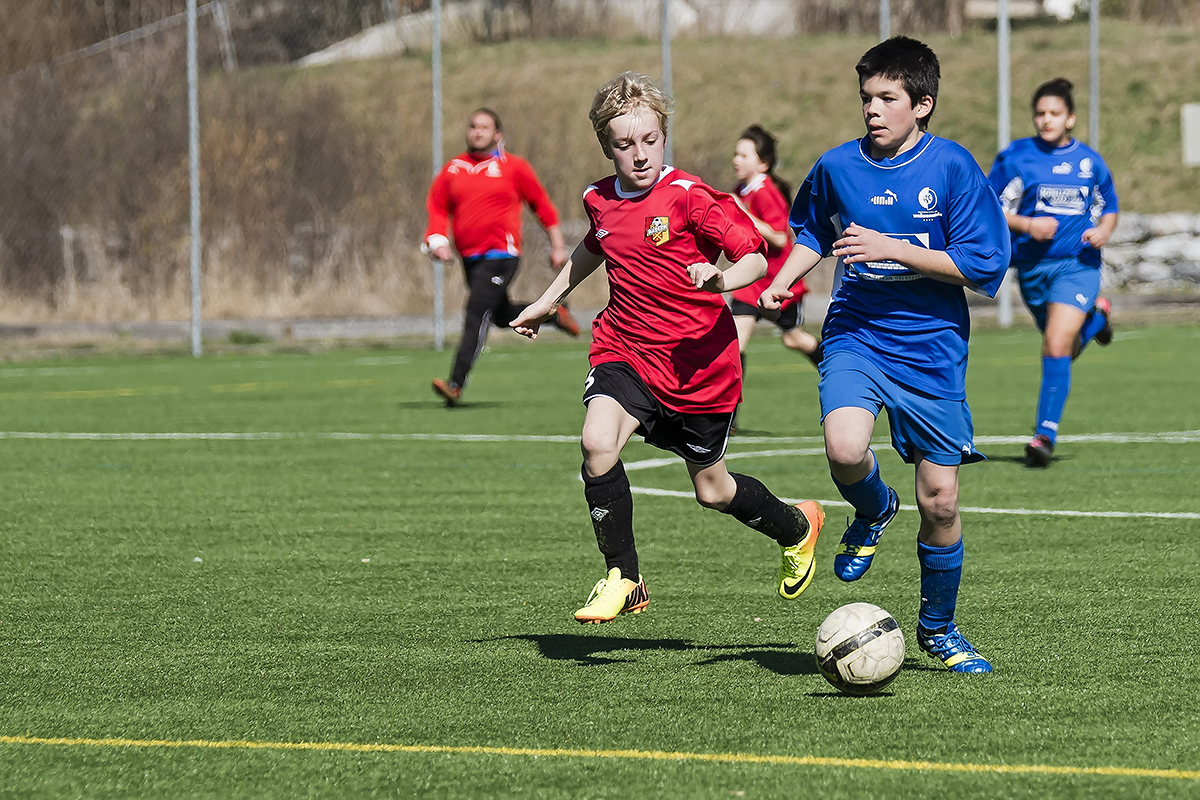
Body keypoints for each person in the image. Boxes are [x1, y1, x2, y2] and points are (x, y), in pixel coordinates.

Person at [510, 72, 825, 624]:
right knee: (597, 441)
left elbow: (754, 256)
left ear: (663, 136)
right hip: (626, 350)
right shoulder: (598, 199)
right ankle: (624, 577)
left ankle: (797, 526)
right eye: (624, 144)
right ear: (606, 146)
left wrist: (721, 280)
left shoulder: (689, 196)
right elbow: (594, 247)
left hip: (698, 367)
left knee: (713, 491)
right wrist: (546, 300)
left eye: (650, 140)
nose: (639, 154)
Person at [758, 37, 1010, 672]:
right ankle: (874, 508)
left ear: (922, 105)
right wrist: (784, 279)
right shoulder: (837, 166)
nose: (872, 109)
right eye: (866, 97)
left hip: (931, 347)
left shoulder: (952, 167)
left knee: (941, 500)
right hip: (858, 333)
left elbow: (983, 265)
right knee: (845, 448)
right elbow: (812, 231)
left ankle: (939, 629)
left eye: (887, 98)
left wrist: (894, 249)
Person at [987, 78, 1119, 467]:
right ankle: (1097, 321)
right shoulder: (1016, 157)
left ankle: (1044, 435)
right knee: (1064, 346)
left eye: (1055, 113)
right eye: (1040, 113)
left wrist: (1103, 231)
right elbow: (987, 206)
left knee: (1056, 345)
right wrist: (1027, 225)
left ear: (1070, 118)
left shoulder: (1088, 162)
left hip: (1078, 266)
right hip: (1031, 269)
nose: (1046, 120)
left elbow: (1109, 206)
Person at [423, 108, 582, 407]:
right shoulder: (453, 168)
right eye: (473, 126)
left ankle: (455, 383)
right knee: (498, 315)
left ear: (497, 134)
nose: (477, 132)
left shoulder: (514, 167)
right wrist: (437, 240)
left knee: (475, 311)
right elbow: (437, 209)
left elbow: (542, 206)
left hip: (501, 255)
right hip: (470, 258)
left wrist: (558, 246)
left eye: (484, 127)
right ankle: (551, 313)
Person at [728, 125, 822, 430]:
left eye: (744, 155)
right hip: (749, 283)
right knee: (734, 345)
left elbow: (781, 238)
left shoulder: (766, 192)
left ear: (763, 163)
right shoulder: (741, 191)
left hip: (778, 284)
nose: (736, 160)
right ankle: (727, 419)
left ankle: (835, 370)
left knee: (794, 339)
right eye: (736, 154)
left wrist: (744, 214)